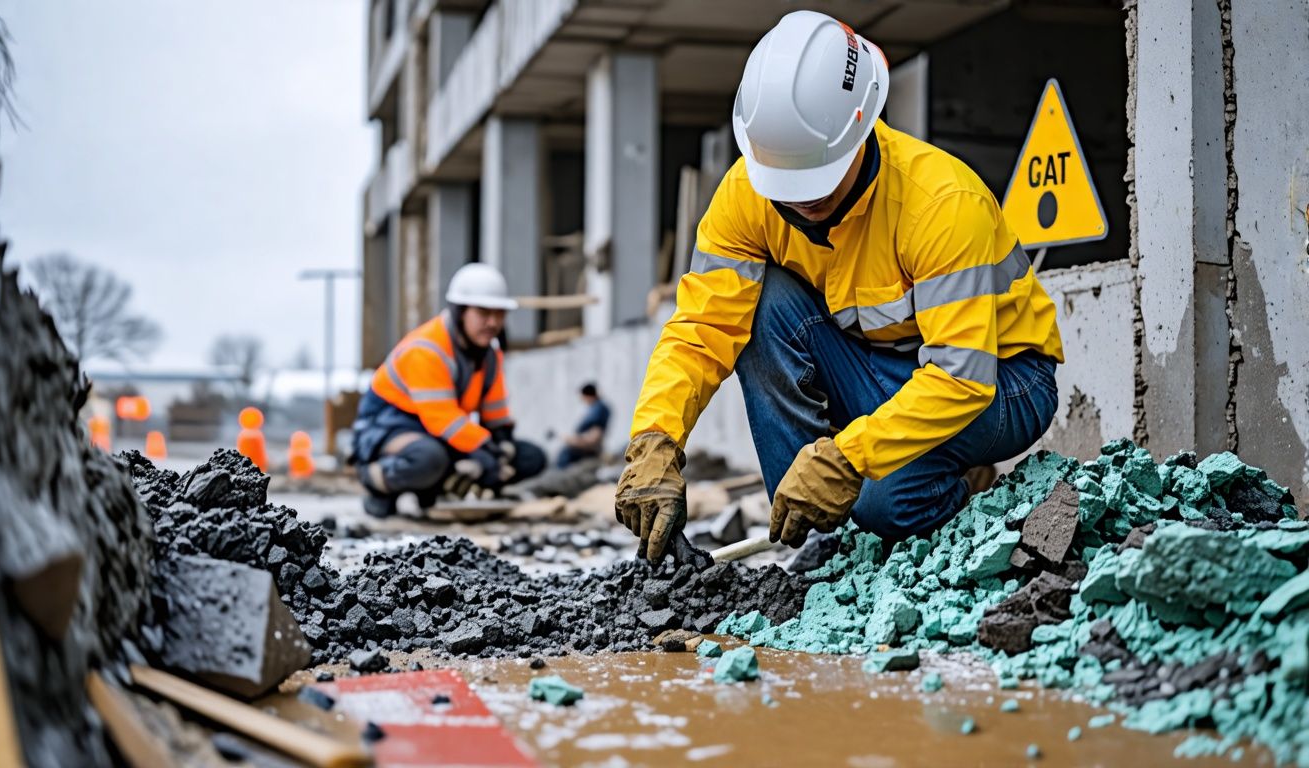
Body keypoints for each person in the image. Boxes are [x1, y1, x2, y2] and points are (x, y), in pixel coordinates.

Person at [614, 10, 1063, 562]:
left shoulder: (941, 204)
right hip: (880, 368)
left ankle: (953, 489)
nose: (801, 203)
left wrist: (848, 458)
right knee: (762, 305)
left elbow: (961, 379)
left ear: (859, 132)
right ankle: (824, 535)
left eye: (816, 182)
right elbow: (701, 328)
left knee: (884, 503)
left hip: (1003, 380)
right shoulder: (745, 196)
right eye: (787, 186)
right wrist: (654, 440)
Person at [352, 263, 546, 517]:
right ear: (461, 311)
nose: (493, 322)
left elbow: (495, 416)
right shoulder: (427, 349)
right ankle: (377, 482)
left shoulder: (489, 355)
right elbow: (441, 419)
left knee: (531, 458)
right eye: (483, 313)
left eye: (499, 314)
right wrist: (484, 453)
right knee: (430, 458)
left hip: (442, 433)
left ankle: (446, 487)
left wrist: (501, 449)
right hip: (388, 429)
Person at [557, 382, 610, 468]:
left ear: (588, 396)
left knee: (565, 454)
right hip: (586, 446)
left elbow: (594, 438)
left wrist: (572, 440)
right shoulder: (597, 408)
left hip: (588, 449)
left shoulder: (599, 409)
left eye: (583, 398)